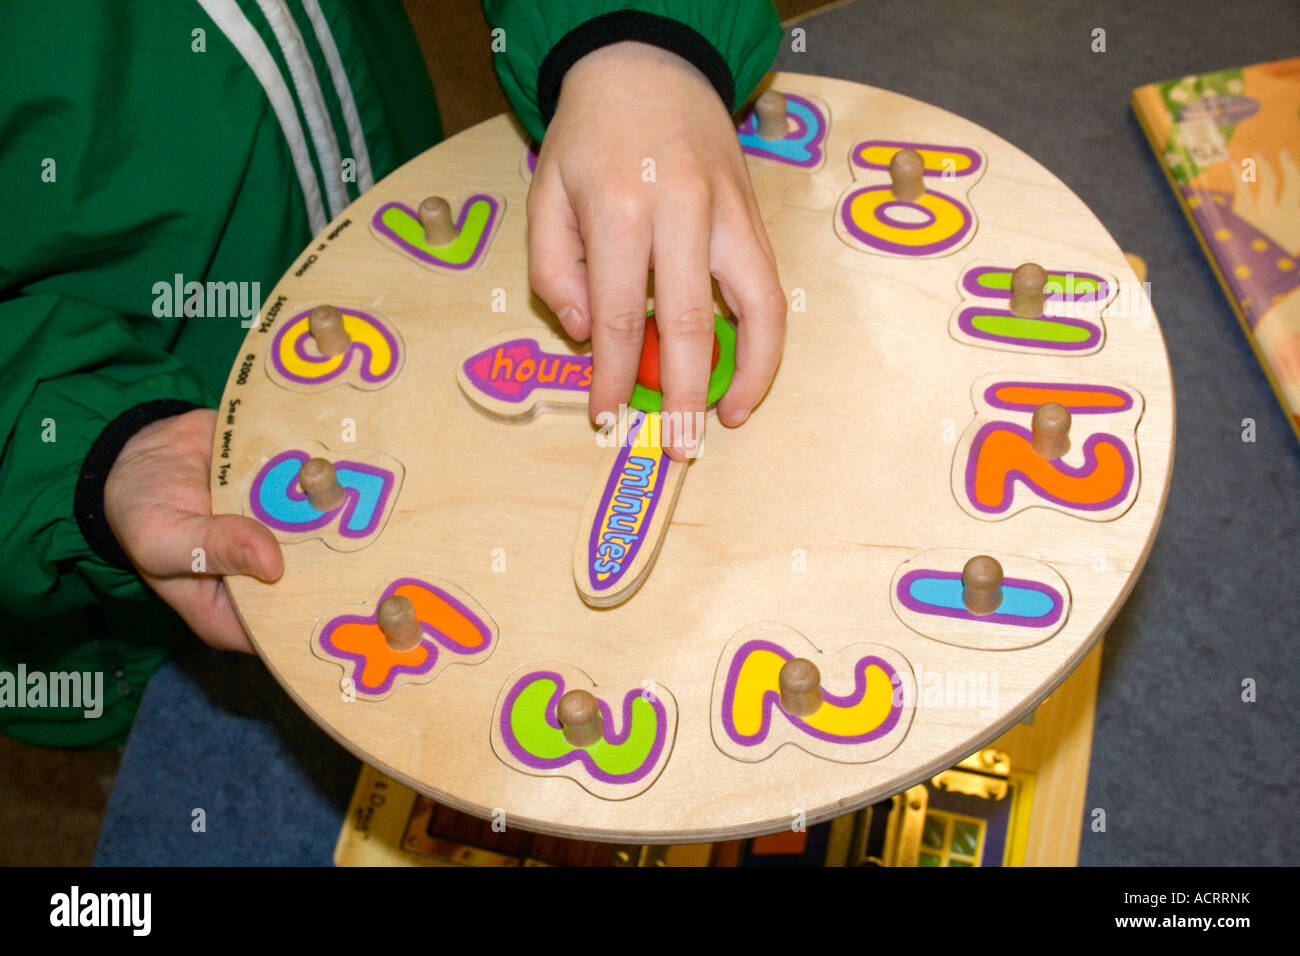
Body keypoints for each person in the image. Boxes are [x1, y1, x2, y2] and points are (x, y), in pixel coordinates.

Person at [0, 0, 787, 747]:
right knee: (197, 723)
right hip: (115, 501)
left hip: (412, 261)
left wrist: (629, 36)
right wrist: (84, 446)